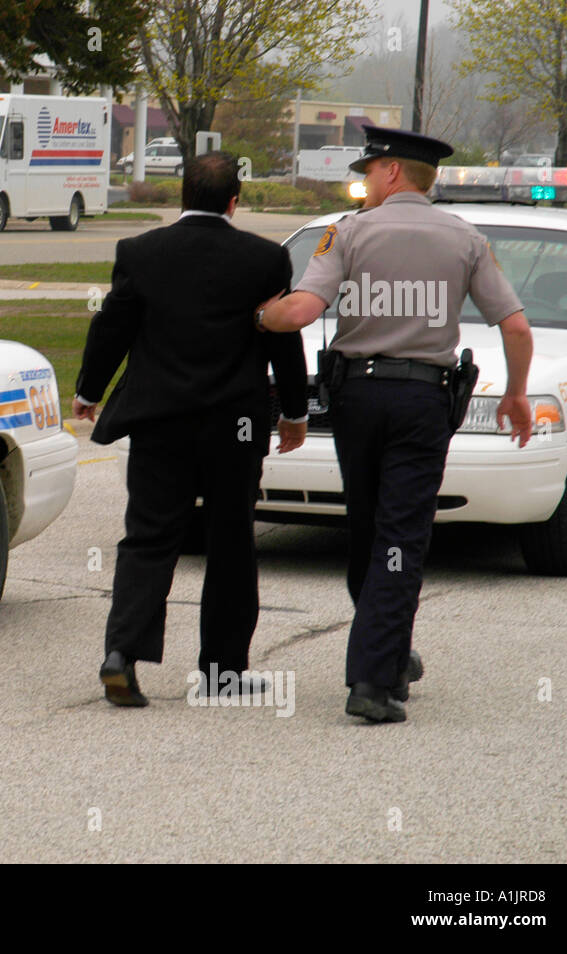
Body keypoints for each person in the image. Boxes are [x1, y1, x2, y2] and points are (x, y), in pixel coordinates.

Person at [257, 125, 534, 723]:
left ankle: (385, 656)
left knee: (367, 529)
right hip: (421, 401)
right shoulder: (467, 239)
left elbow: (302, 310)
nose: (364, 180)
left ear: (391, 172)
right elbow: (515, 326)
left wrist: (256, 313)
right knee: (401, 535)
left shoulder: (348, 232)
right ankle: (373, 681)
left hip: (357, 399)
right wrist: (514, 394)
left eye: (369, 169)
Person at [73, 151, 308, 707]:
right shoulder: (265, 260)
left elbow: (114, 325)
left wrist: (88, 391)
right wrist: (294, 413)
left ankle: (121, 654)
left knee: (150, 536)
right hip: (238, 426)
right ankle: (222, 673)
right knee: (231, 541)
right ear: (234, 202)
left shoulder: (140, 252)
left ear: (181, 197)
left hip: (160, 421)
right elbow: (282, 339)